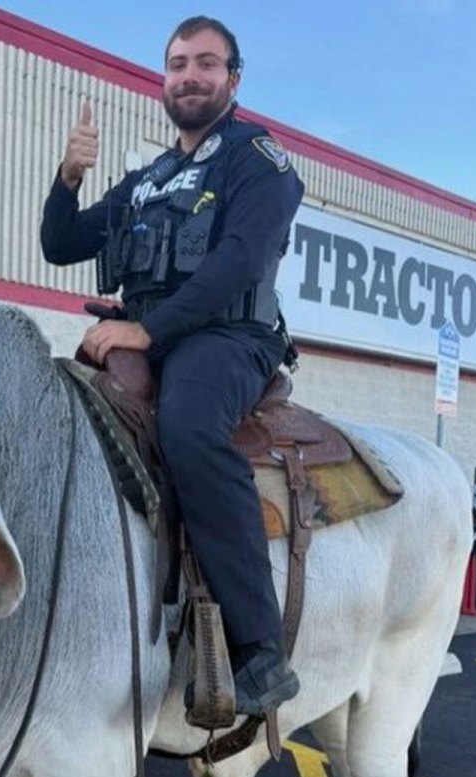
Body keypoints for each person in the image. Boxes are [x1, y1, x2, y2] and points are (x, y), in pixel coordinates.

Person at [40, 16, 304, 719]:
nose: (190, 75)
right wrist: (69, 175)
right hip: (151, 335)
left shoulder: (259, 161)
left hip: (228, 338)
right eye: (178, 63)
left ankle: (258, 650)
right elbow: (60, 242)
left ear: (233, 79)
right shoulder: (150, 179)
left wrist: (146, 328)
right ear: (164, 80)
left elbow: (237, 264)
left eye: (207, 63)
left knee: (187, 426)